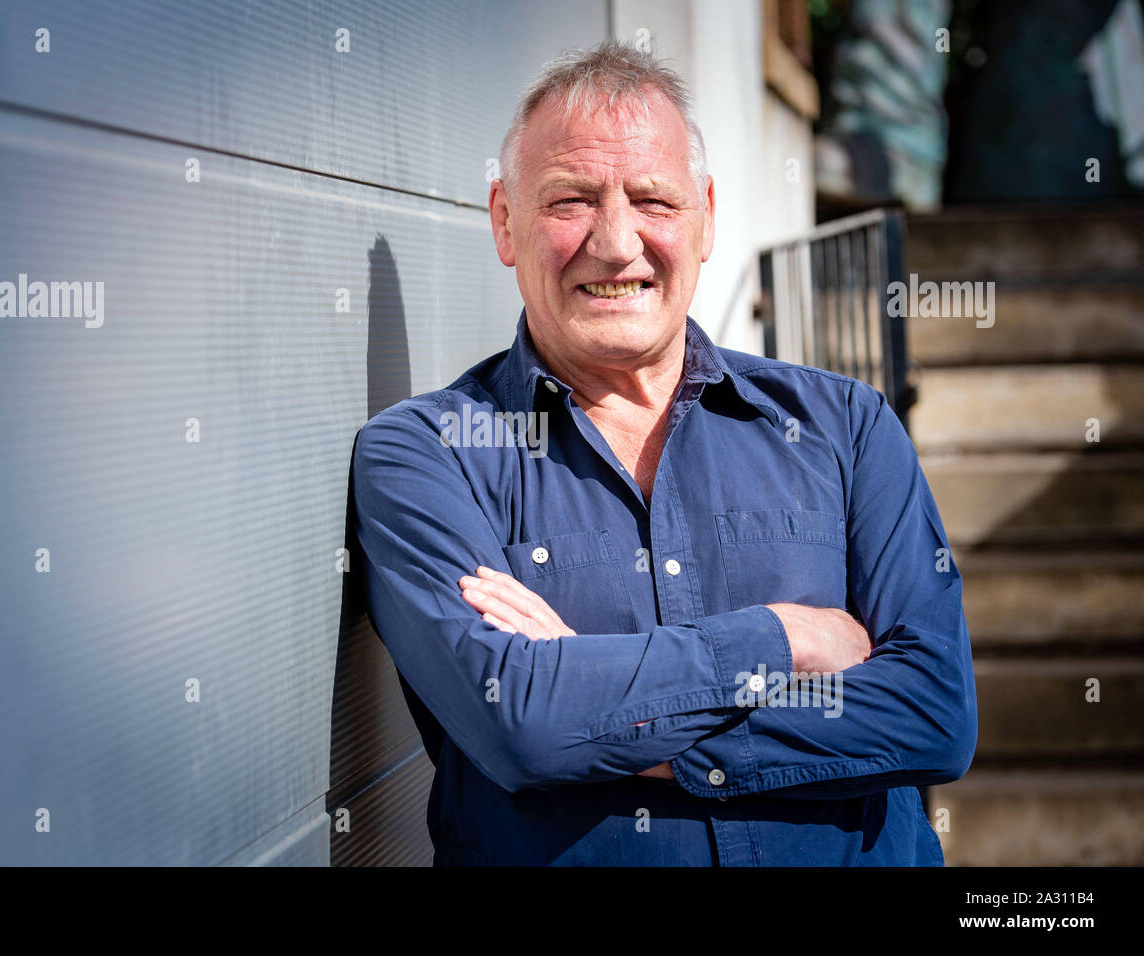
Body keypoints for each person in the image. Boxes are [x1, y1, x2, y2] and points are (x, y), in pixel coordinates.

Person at [350, 40, 976, 866]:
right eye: (570, 200)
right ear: (505, 221)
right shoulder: (426, 456)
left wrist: (594, 700)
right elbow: (520, 726)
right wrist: (784, 639)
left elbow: (932, 712)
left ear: (707, 218)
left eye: (653, 199)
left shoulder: (846, 426)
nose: (615, 243)